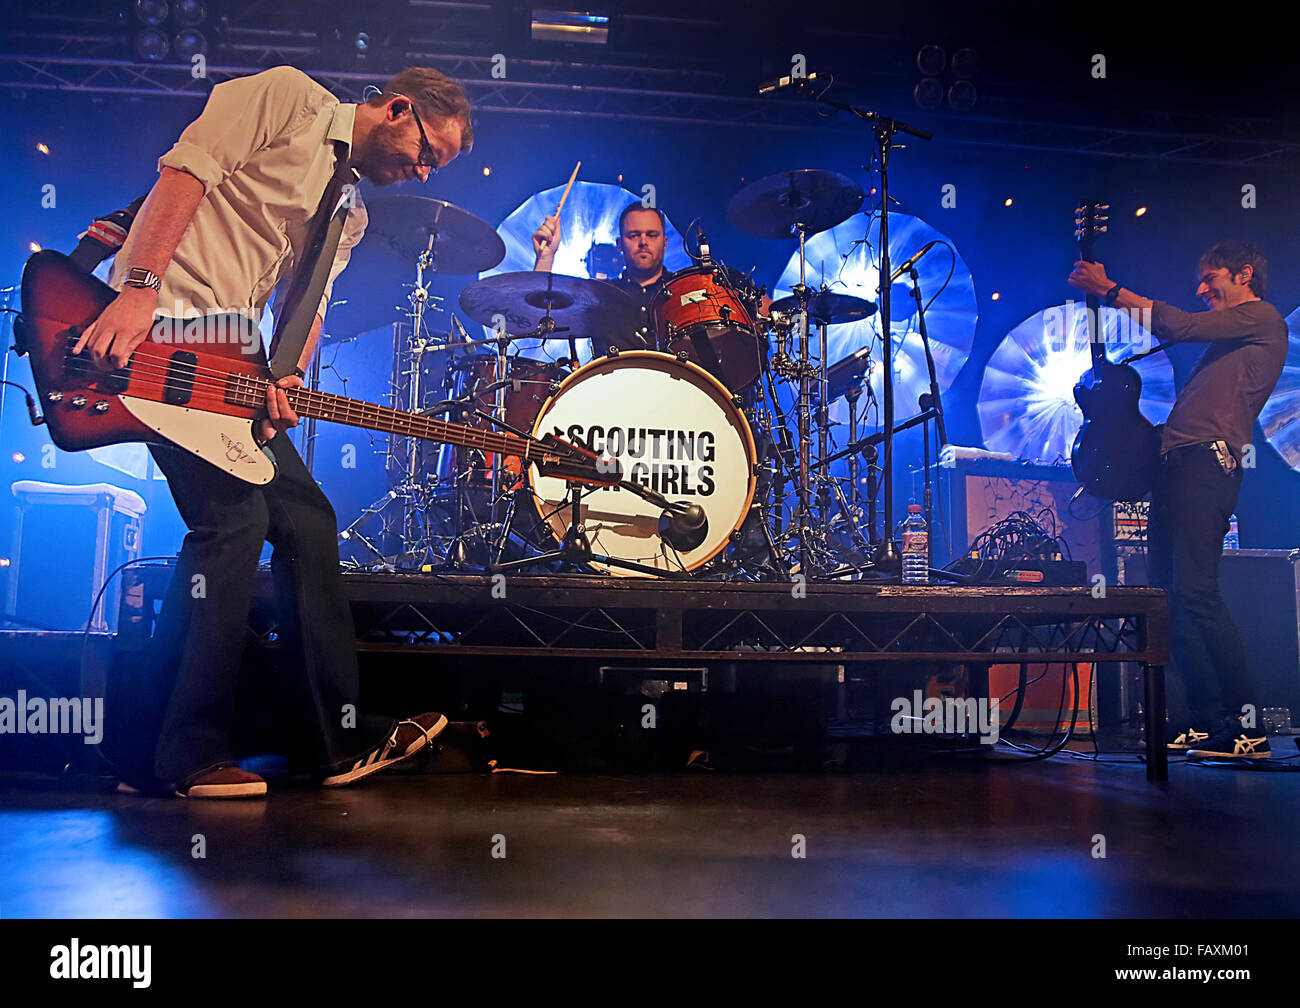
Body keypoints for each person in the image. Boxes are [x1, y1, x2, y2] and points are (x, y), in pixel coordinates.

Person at [74, 64, 473, 797]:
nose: (419, 171)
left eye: (433, 169)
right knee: (232, 520)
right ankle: (181, 755)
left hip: (233, 356)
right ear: (398, 108)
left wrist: (285, 374)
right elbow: (184, 174)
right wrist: (137, 292)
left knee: (305, 520)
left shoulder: (349, 210)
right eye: (426, 154)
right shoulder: (288, 98)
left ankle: (329, 742)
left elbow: (306, 299)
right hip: (162, 326)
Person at [1068, 241, 1287, 760]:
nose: (1202, 287)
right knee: (1169, 597)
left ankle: (1245, 726)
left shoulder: (1262, 317)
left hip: (1205, 466)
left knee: (1197, 591)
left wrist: (1110, 290)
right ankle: (1205, 720)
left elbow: (1179, 326)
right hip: (1179, 466)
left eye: (1211, 277)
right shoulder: (1230, 345)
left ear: (1245, 274)